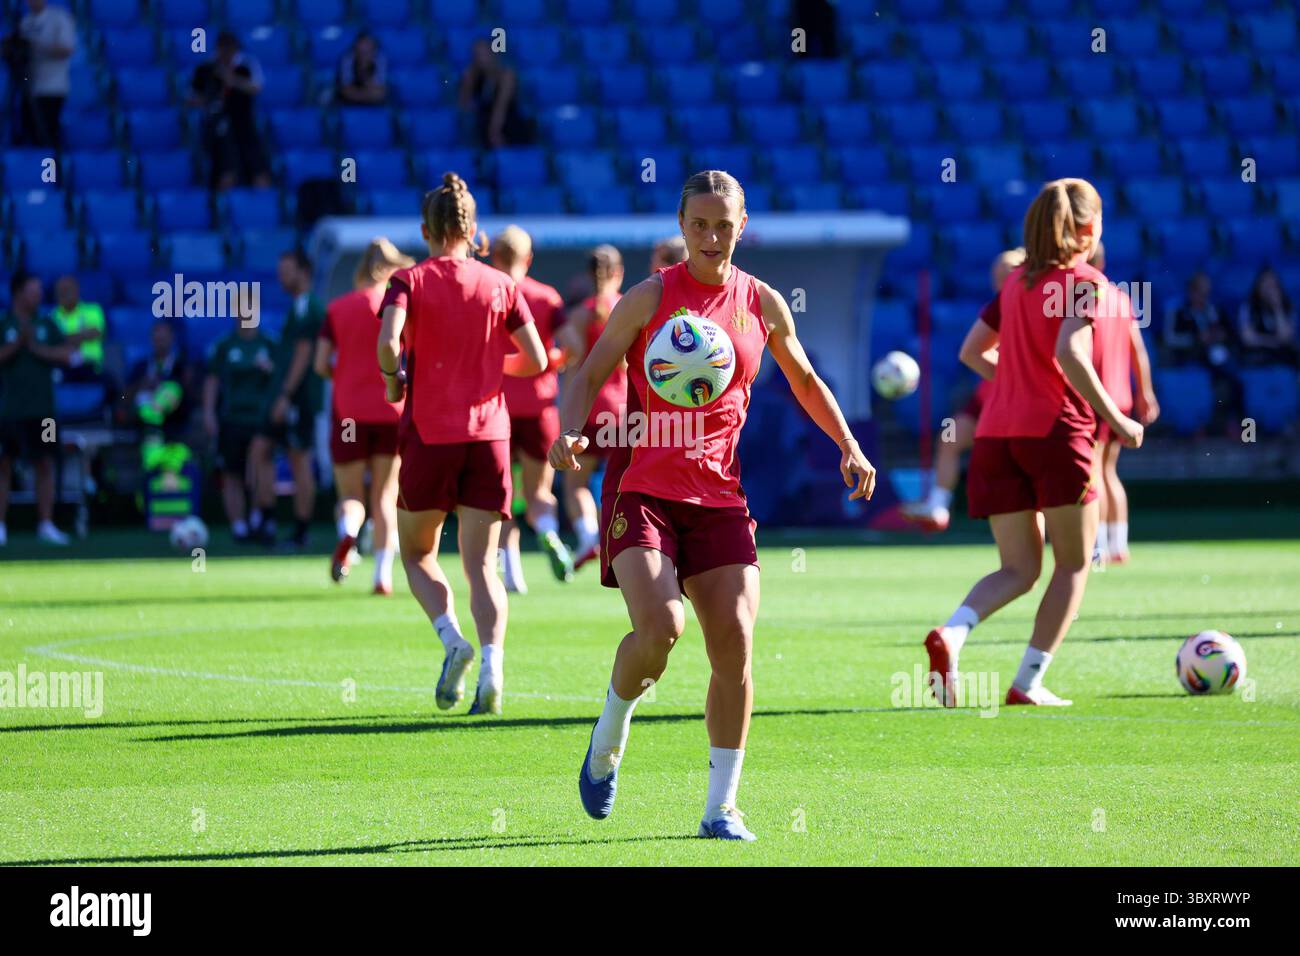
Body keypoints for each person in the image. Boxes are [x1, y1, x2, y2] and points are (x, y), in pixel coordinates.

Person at [550, 171, 876, 841]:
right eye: (698, 224)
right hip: (642, 491)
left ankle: (720, 808)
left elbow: (806, 380)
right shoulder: (648, 297)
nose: (710, 236)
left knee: (734, 647)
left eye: (723, 224)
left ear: (742, 225)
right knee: (661, 631)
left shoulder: (762, 303)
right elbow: (589, 372)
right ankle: (608, 739)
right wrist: (570, 430)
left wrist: (849, 443)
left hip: (720, 500)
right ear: (680, 224)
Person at [925, 178, 1143, 710]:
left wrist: (1018, 381)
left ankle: (952, 633)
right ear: (1090, 230)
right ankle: (1028, 681)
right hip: (1055, 434)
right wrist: (1118, 417)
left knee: (1018, 568)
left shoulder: (1017, 282)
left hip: (998, 437)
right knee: (1074, 563)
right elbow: (1071, 352)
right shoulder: (1085, 280)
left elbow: (972, 351)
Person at [377, 173, 546, 716]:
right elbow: (538, 361)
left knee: (419, 553)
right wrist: (491, 366)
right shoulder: (501, 284)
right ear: (475, 232)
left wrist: (393, 378)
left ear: (427, 230)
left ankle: (453, 641)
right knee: (483, 567)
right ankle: (494, 670)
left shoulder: (409, 279)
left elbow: (387, 343)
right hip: (490, 437)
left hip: (431, 434)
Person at [315, 238, 414, 594]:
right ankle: (382, 576)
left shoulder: (338, 308)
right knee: (385, 496)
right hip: (391, 410)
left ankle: (349, 535)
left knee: (351, 495)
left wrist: (343, 376)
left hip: (349, 417)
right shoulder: (397, 308)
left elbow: (319, 363)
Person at [903, 247, 1025, 531]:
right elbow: (973, 352)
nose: (1001, 278)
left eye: (1008, 272)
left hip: (1017, 405)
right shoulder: (995, 309)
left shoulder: (1029, 308)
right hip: (987, 400)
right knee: (949, 439)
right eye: (997, 273)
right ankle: (937, 506)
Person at [491, 224, 575, 593]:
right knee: (539, 491)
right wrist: (549, 362)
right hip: (540, 408)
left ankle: (512, 574)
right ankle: (547, 532)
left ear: (494, 257)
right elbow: (572, 345)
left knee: (502, 493)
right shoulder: (546, 297)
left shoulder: (489, 293)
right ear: (528, 258)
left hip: (497, 409)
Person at [1087, 241, 1158, 565]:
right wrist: (1145, 392)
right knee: (1109, 470)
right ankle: (1118, 543)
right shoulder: (1120, 297)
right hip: (1121, 396)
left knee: (1093, 472)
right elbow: (1137, 350)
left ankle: (1097, 545)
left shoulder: (1085, 297)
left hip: (1096, 396)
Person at [555, 245, 626, 571]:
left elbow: (574, 371)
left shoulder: (580, 315)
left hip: (590, 412)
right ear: (619, 272)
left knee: (576, 486)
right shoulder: (628, 308)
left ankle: (587, 537)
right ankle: (620, 542)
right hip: (625, 413)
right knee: (624, 487)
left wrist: (566, 415)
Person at [0, 271, 72, 546]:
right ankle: (1, 526)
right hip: (9, 411)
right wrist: (17, 344)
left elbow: (68, 355)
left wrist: (36, 347)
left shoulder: (48, 323)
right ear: (18, 293)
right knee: (3, 465)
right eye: (34, 289)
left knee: (45, 463)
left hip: (45, 412)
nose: (40, 294)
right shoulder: (4, 323)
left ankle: (45, 524)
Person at [203, 309, 277, 544]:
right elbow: (212, 380)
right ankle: (238, 525)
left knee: (257, 470)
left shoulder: (269, 344)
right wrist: (208, 413)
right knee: (231, 473)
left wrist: (271, 372)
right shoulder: (225, 345)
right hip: (232, 419)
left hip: (260, 420)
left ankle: (258, 518)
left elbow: (283, 380)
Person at [269, 249, 325, 551]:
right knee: (295, 458)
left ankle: (302, 530)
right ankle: (296, 527)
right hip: (298, 397)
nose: (281, 276)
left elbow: (303, 354)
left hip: (301, 399)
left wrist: (286, 395)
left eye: (287, 269)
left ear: (304, 272)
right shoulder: (299, 307)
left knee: (301, 460)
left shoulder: (308, 307)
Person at [188, 31, 271, 190]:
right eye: (224, 49)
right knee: (226, 171)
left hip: (244, 123)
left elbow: (256, 87)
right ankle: (224, 209)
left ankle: (261, 208)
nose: (227, 54)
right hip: (217, 125)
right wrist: (209, 99)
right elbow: (191, 98)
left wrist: (232, 80)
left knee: (259, 170)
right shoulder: (206, 68)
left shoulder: (246, 64)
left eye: (231, 50)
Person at [15, 0, 75, 149]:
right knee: (30, 133)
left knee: (48, 133)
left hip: (53, 87)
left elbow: (66, 49)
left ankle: (52, 169)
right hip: (30, 87)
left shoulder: (59, 18)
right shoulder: (25, 22)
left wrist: (37, 47)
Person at [457, 38, 533, 149]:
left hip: (507, 121)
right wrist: (469, 79)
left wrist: (494, 131)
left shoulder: (507, 75)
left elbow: (501, 106)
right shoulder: (474, 76)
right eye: (477, 55)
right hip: (485, 122)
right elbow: (463, 103)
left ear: (492, 54)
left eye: (484, 54)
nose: (482, 59)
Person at [1237, 267, 1298, 366]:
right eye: (1265, 284)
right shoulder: (1249, 307)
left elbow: (1286, 337)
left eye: (1273, 285)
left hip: (1283, 354)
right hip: (1257, 353)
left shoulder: (1288, 307)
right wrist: (1273, 342)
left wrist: (1277, 308)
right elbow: (1247, 338)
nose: (1269, 289)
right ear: (1258, 287)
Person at [51, 274, 105, 384]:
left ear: (76, 291)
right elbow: (51, 341)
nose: (63, 294)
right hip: (63, 365)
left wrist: (63, 338)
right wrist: (81, 335)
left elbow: (95, 332)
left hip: (89, 365)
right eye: (59, 291)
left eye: (66, 290)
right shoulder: (53, 316)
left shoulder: (93, 310)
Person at [336, 31, 387, 106]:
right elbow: (346, 90)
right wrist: (366, 95)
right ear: (356, 47)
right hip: (349, 103)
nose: (364, 52)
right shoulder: (347, 59)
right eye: (361, 50)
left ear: (374, 48)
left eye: (368, 50)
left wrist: (361, 94)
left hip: (375, 104)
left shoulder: (380, 59)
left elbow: (379, 92)